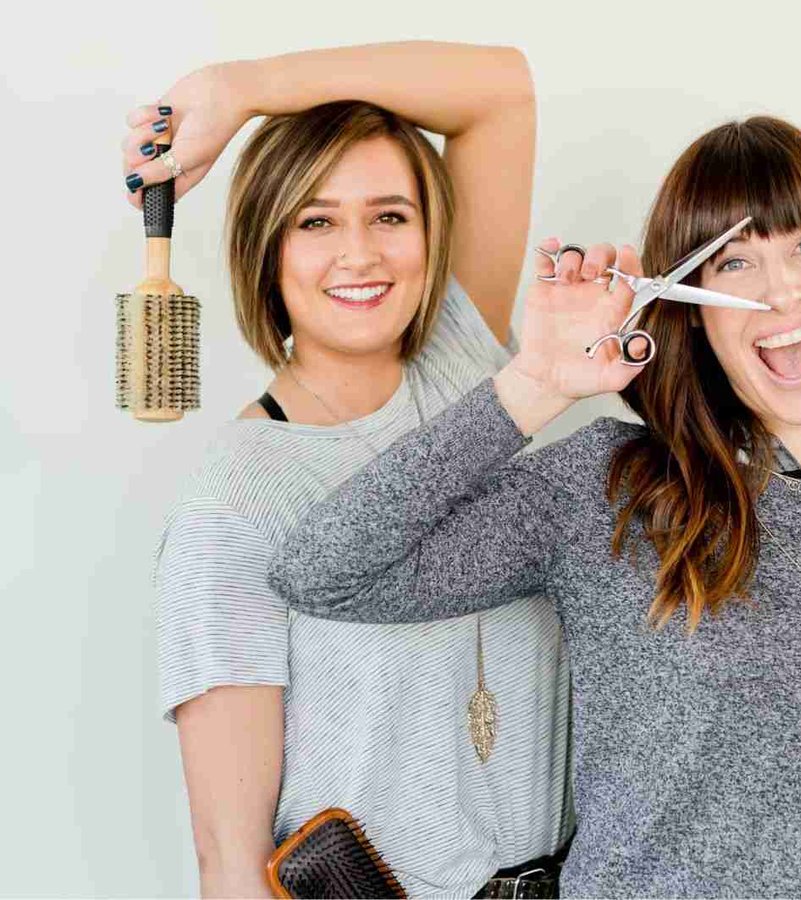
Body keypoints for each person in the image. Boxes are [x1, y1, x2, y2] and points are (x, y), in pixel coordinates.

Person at [268, 116, 801, 897]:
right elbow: (324, 572)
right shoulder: (611, 487)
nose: (781, 290)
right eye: (734, 261)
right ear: (694, 307)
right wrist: (535, 382)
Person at [137, 42, 573, 896]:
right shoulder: (236, 501)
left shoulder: (463, 371)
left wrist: (243, 91)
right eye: (316, 221)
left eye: (389, 216)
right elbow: (230, 867)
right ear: (268, 249)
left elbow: (501, 92)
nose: (360, 255)